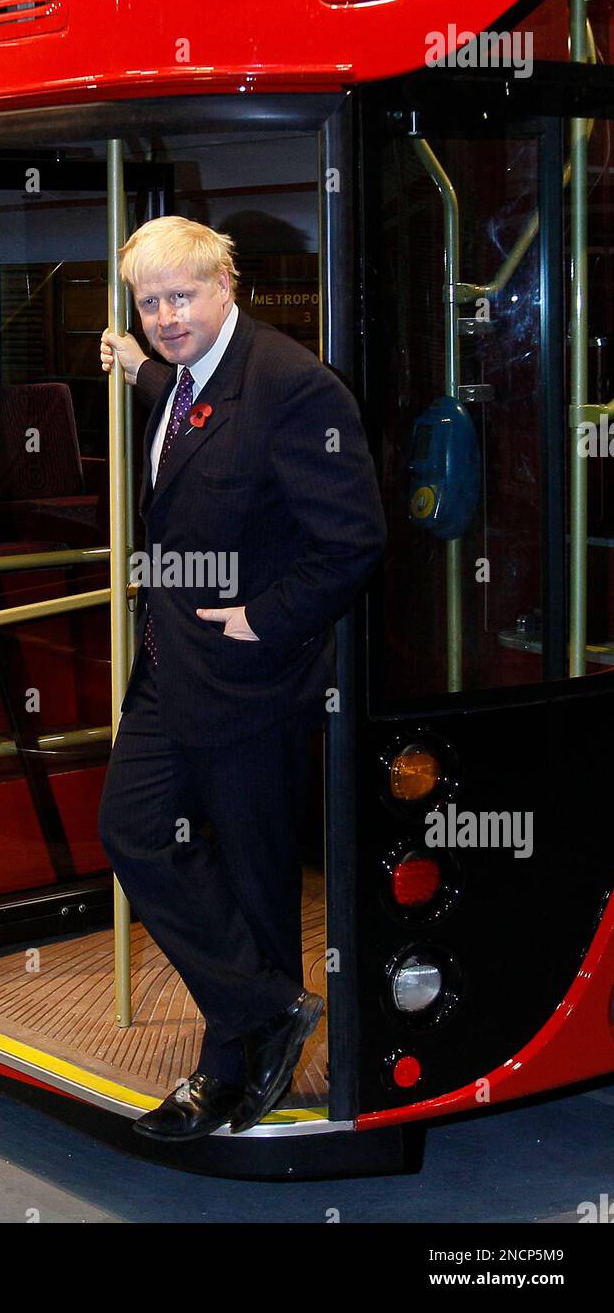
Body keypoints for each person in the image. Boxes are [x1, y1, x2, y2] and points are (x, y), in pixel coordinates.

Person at [98, 216, 386, 1140]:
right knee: (134, 830)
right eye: (150, 303)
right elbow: (186, 417)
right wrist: (129, 361)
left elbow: (353, 541)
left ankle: (231, 1065)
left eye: (184, 295)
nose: (168, 316)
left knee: (260, 878)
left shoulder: (294, 386)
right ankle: (265, 1004)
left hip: (254, 673)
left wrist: (264, 617)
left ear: (228, 287)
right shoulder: (179, 377)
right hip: (170, 664)